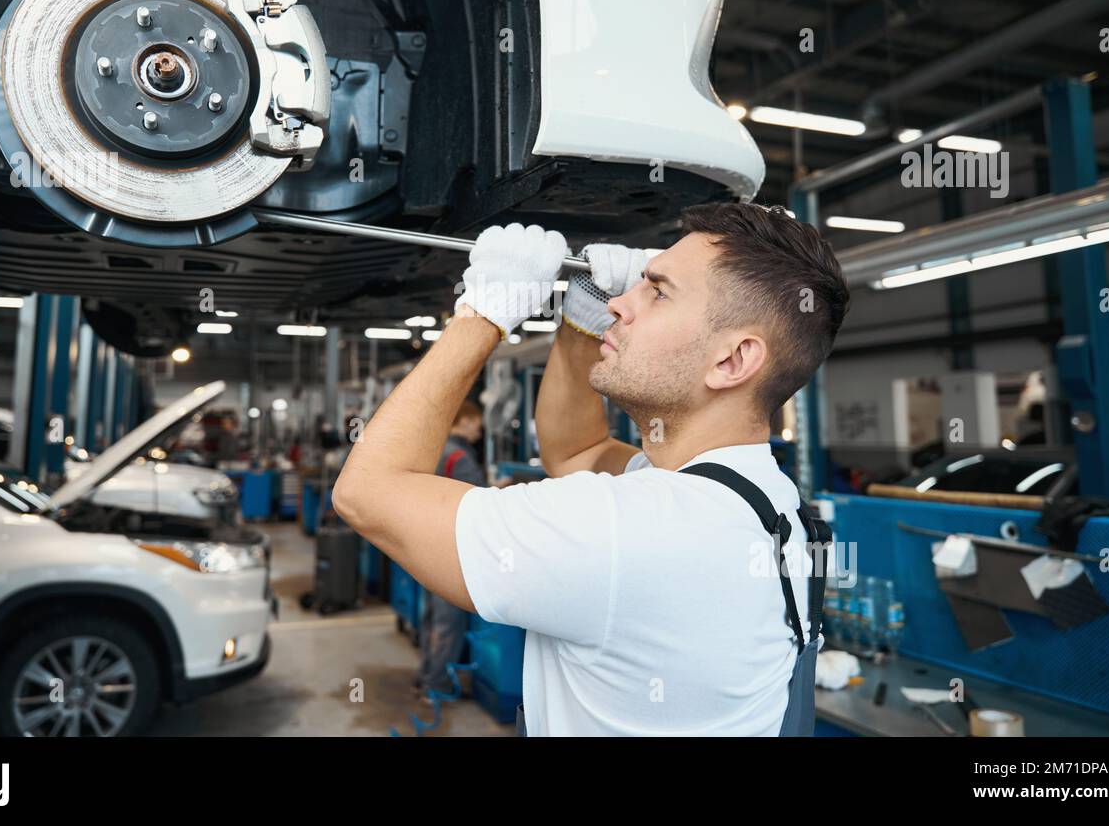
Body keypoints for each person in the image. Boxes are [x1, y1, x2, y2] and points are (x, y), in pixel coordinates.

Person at [333, 203, 849, 735]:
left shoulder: (633, 531)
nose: (623, 304)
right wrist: (585, 317)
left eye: (659, 291)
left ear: (732, 361)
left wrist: (482, 313)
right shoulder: (763, 501)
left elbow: (367, 491)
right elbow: (575, 451)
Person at [414, 400, 486, 702]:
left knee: (432, 617)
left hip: (427, 545)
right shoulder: (461, 457)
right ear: (466, 421)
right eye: (478, 423)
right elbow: (481, 507)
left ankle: (426, 675)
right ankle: (438, 686)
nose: (480, 430)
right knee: (448, 621)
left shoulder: (437, 450)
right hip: (454, 551)